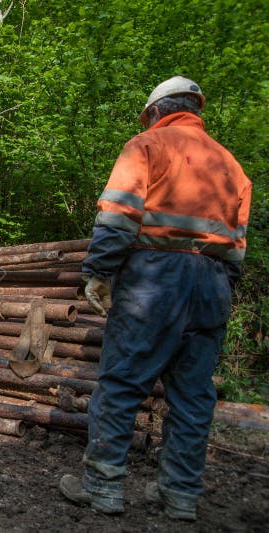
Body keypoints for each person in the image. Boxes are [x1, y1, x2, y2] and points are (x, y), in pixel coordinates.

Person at [59, 76, 252, 520]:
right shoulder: (231, 166)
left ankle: (103, 487)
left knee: (123, 382)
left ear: (157, 112)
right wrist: (220, 287)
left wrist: (99, 271)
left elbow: (119, 215)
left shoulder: (146, 146)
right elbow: (237, 246)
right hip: (212, 283)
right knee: (192, 395)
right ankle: (180, 496)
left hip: (153, 277)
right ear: (196, 110)